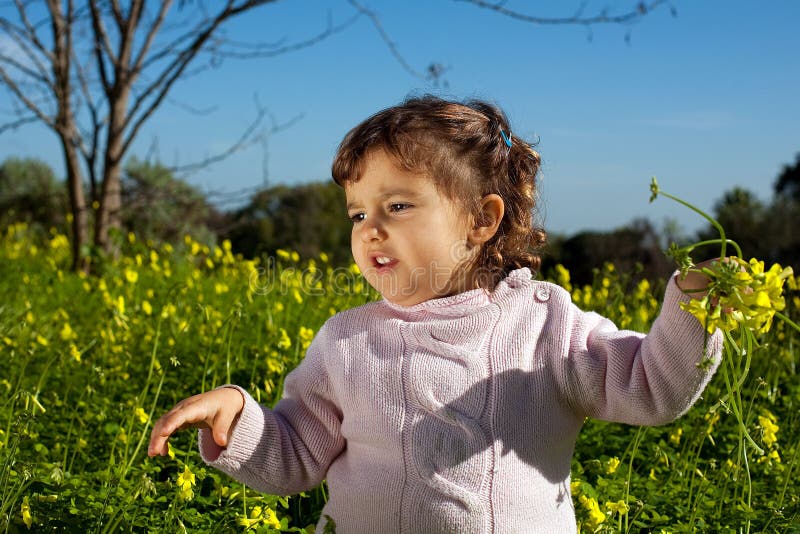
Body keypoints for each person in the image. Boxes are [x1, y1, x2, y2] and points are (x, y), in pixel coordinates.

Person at [148, 96, 722, 532]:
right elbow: (296, 453)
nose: (370, 229)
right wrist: (240, 420)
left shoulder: (545, 324)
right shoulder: (346, 342)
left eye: (397, 206)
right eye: (357, 215)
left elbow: (651, 388)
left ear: (481, 220)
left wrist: (696, 308)